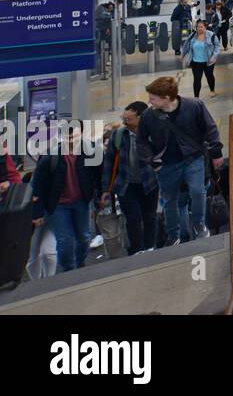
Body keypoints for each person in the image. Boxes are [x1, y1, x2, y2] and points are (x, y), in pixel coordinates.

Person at [136, 76, 223, 245]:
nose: (149, 101)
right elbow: (141, 140)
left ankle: (198, 224)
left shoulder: (194, 106)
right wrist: (151, 160)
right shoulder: (149, 115)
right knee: (170, 200)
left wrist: (216, 151)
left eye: (153, 98)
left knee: (198, 191)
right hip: (166, 164)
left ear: (166, 98)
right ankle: (174, 235)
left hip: (192, 158)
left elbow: (210, 128)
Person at [30, 122, 102, 272]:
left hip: (81, 202)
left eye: (75, 136)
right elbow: (37, 187)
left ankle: (80, 263)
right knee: (65, 241)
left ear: (81, 134)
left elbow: (99, 176)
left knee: (84, 238)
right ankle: (69, 269)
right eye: (68, 137)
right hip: (58, 205)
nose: (72, 141)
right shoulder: (50, 157)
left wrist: (99, 197)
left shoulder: (91, 152)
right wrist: (37, 213)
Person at [106, 102, 159, 256]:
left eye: (128, 120)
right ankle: (136, 249)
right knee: (133, 218)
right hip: (126, 184)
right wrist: (105, 189)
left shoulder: (154, 134)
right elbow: (109, 163)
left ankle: (149, 247)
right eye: (124, 119)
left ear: (140, 119)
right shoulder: (118, 135)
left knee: (150, 217)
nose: (124, 122)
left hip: (149, 184)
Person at [181, 20, 220, 97]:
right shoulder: (192, 36)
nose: (200, 28)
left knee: (209, 76)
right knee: (197, 79)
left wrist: (214, 56)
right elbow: (186, 45)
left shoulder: (211, 35)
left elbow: (217, 46)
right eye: (198, 27)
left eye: (201, 27)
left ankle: (212, 90)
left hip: (208, 61)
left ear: (205, 27)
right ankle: (196, 97)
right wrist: (183, 55)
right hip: (195, 62)